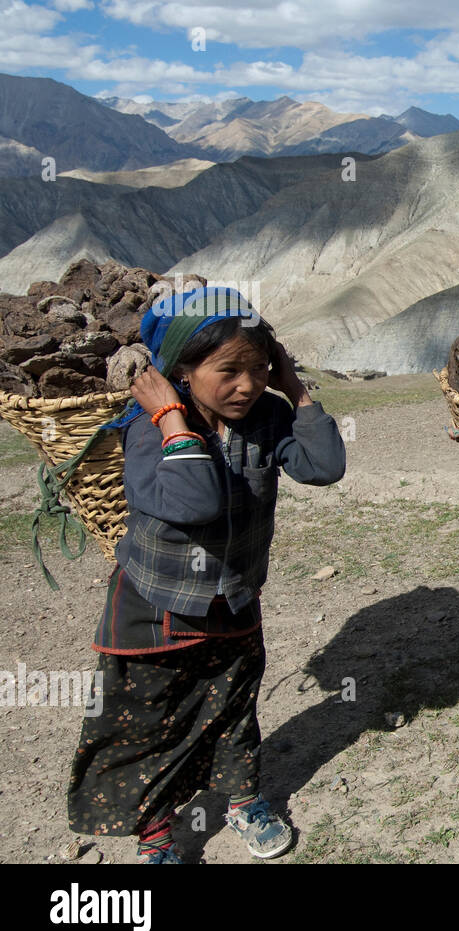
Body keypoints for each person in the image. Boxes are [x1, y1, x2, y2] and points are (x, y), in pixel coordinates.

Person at [66, 287, 347, 863]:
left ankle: (242, 798)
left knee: (232, 703)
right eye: (230, 370)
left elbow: (325, 467)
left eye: (261, 368)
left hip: (235, 596)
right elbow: (194, 501)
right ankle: (156, 831)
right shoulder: (151, 428)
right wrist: (169, 413)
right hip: (155, 605)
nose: (247, 385)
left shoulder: (268, 415)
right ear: (183, 370)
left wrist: (294, 389)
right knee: (149, 717)